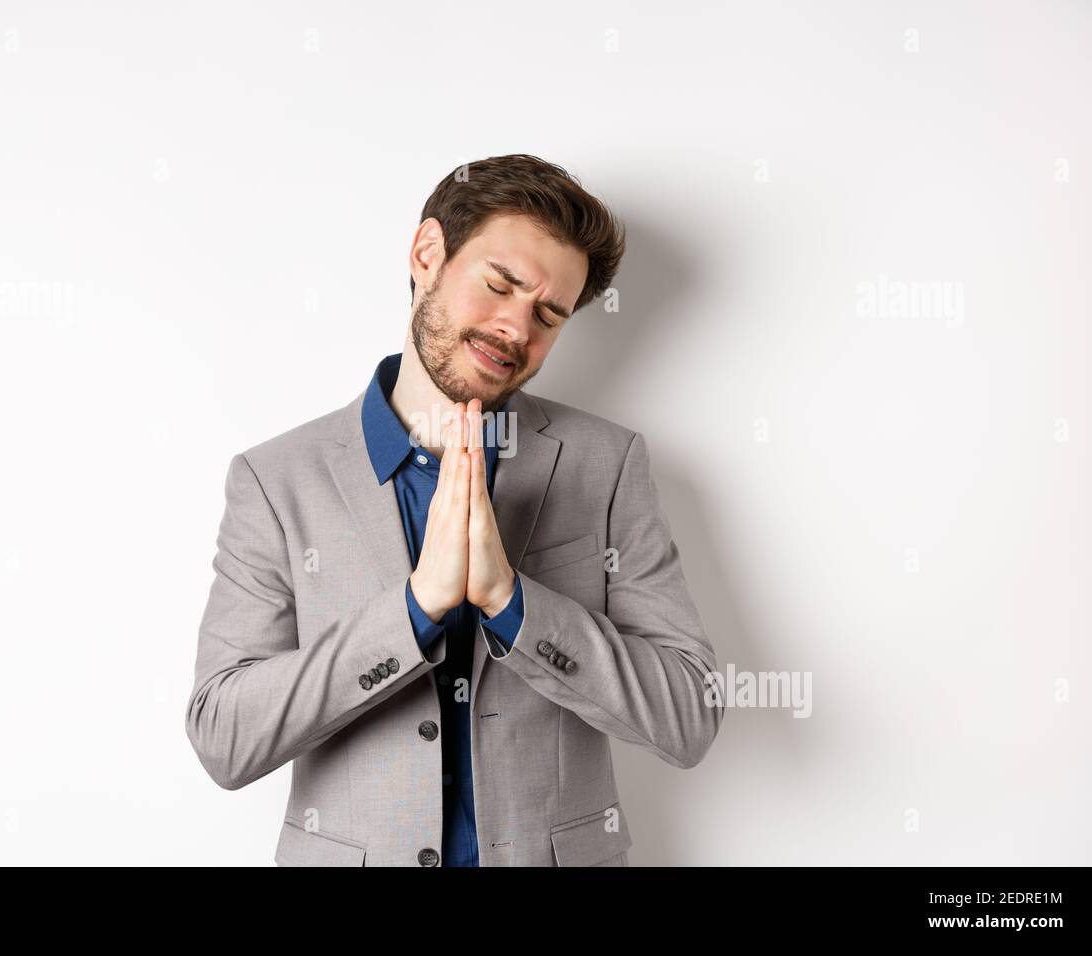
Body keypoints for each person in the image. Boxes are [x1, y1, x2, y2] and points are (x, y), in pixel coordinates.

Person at [184, 153, 723, 866]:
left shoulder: (608, 465)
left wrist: (513, 604)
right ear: (427, 254)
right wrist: (412, 610)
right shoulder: (275, 481)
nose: (515, 329)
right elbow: (225, 737)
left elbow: (688, 715)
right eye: (499, 285)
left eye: (549, 314)